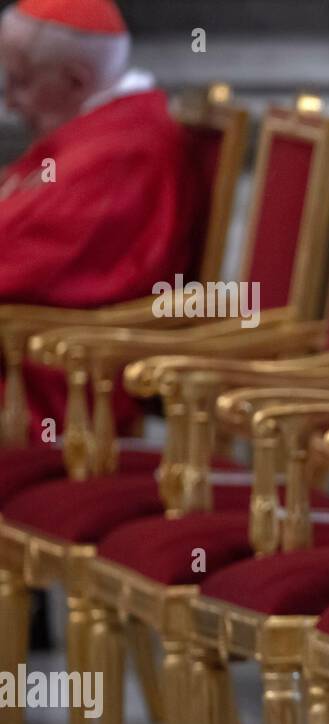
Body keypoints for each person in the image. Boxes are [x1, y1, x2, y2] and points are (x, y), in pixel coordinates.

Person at [0, 0, 196, 438]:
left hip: (54, 381)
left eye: (20, 82)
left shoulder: (124, 151)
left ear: (75, 79)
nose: (10, 103)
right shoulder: (99, 129)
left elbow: (21, 253)